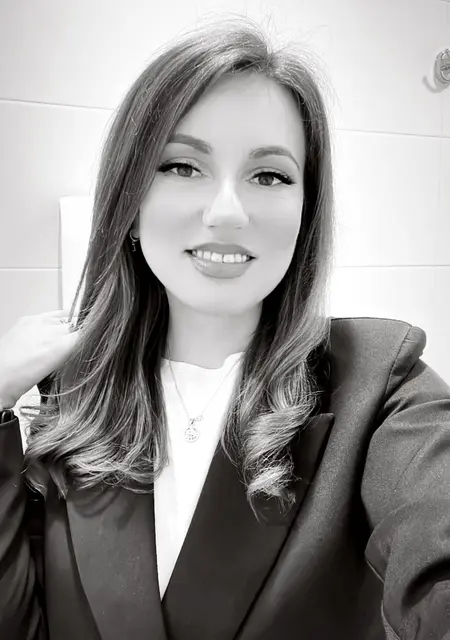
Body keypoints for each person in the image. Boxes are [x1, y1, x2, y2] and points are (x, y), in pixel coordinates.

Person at [0, 15, 449, 640]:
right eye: (182, 166)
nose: (227, 212)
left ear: (305, 212)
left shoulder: (380, 384)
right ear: (130, 202)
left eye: (270, 175)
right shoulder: (75, 391)